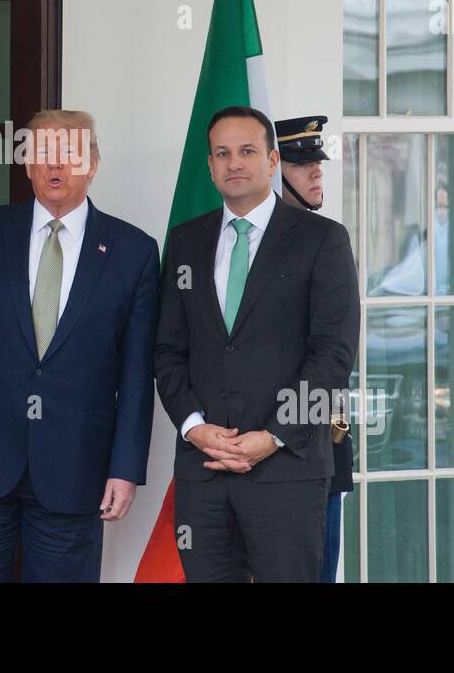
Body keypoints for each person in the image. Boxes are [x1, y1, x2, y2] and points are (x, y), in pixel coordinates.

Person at [0, 109, 159, 582]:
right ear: (28, 165)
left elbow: (137, 372)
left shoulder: (133, 251)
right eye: (43, 154)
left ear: (92, 163)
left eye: (69, 154)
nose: (56, 167)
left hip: (77, 469)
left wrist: (126, 468)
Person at [154, 106, 359, 582]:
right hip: (203, 470)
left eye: (247, 151)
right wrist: (192, 426)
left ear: (271, 160)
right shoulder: (185, 242)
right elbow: (167, 350)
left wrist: (272, 437)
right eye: (222, 154)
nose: (234, 163)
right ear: (209, 166)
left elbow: (333, 356)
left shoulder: (322, 240)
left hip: (287, 471)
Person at [274, 114, 354, 583]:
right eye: (302, 163)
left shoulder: (327, 241)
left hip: (317, 441)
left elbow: (335, 354)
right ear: (274, 166)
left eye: (317, 162)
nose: (317, 171)